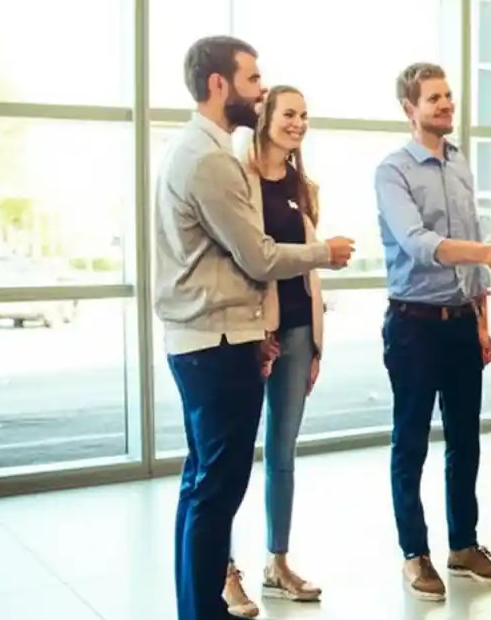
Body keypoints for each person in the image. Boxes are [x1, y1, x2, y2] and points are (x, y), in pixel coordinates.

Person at [154, 35, 355, 620]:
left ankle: (198, 608)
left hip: (208, 341)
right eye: (252, 79)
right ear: (219, 84)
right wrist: (324, 253)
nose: (260, 90)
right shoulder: (212, 159)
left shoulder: (196, 149)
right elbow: (260, 258)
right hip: (216, 345)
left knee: (202, 488)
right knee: (214, 493)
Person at [373, 62, 491, 602]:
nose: (445, 105)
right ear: (409, 108)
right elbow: (418, 242)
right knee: (410, 442)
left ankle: (463, 546)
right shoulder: (392, 171)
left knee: (465, 442)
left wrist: (482, 317)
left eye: (448, 96)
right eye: (433, 98)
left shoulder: (460, 165)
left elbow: (473, 239)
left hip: (462, 322)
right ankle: (414, 554)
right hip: (414, 327)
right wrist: (487, 254)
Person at [220, 85, 327, 618]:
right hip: (250, 332)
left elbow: (307, 269)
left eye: (304, 115)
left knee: (281, 454)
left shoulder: (305, 187)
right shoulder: (238, 181)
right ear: (264, 117)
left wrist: (315, 346)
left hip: (299, 332)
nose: (298, 123)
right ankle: (223, 568)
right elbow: (247, 260)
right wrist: (259, 330)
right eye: (290, 113)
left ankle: (277, 563)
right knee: (232, 458)